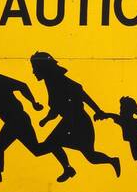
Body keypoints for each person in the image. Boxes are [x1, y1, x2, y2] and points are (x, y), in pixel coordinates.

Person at [29, 52, 120, 183]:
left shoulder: (60, 81)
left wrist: (98, 111)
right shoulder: (51, 82)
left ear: (43, 68)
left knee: (89, 156)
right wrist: (46, 119)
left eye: (35, 68)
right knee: (63, 146)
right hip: (70, 121)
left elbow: (81, 92)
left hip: (78, 120)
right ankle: (68, 168)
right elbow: (56, 108)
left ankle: (111, 161)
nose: (33, 72)